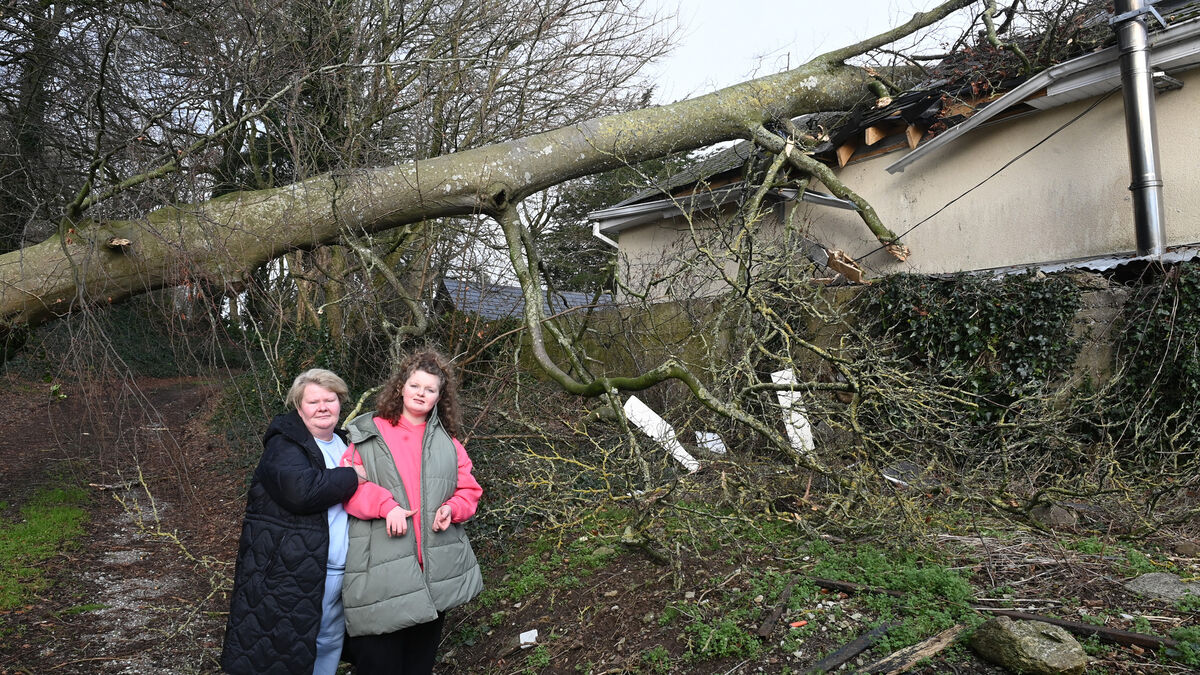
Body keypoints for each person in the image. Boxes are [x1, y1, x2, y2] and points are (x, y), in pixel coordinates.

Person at [340, 349, 483, 675]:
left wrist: (452, 508)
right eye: (416, 386)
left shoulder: (449, 442)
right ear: (401, 387)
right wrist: (385, 506)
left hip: (433, 575)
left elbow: (469, 491)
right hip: (382, 572)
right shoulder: (369, 434)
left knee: (418, 667)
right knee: (379, 665)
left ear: (439, 397)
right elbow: (347, 485)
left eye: (430, 389)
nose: (421, 394)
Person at [221, 369, 360, 675]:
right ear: (299, 408)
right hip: (291, 573)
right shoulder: (284, 444)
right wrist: (354, 476)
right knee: (284, 650)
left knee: (327, 642)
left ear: (340, 403)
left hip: (339, 571)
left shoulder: (344, 444)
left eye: (330, 399)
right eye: (313, 401)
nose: (323, 407)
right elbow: (302, 491)